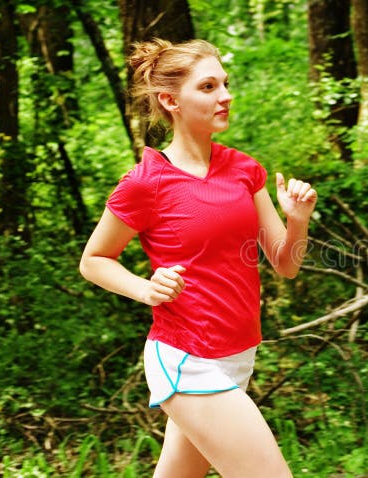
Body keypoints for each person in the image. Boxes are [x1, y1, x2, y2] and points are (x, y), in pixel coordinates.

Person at [79, 38, 316, 478]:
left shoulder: (245, 170)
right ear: (170, 100)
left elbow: (286, 262)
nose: (225, 95)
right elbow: (94, 259)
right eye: (208, 87)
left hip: (238, 354)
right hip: (188, 357)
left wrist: (298, 220)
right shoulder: (146, 182)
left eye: (225, 84)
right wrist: (146, 289)